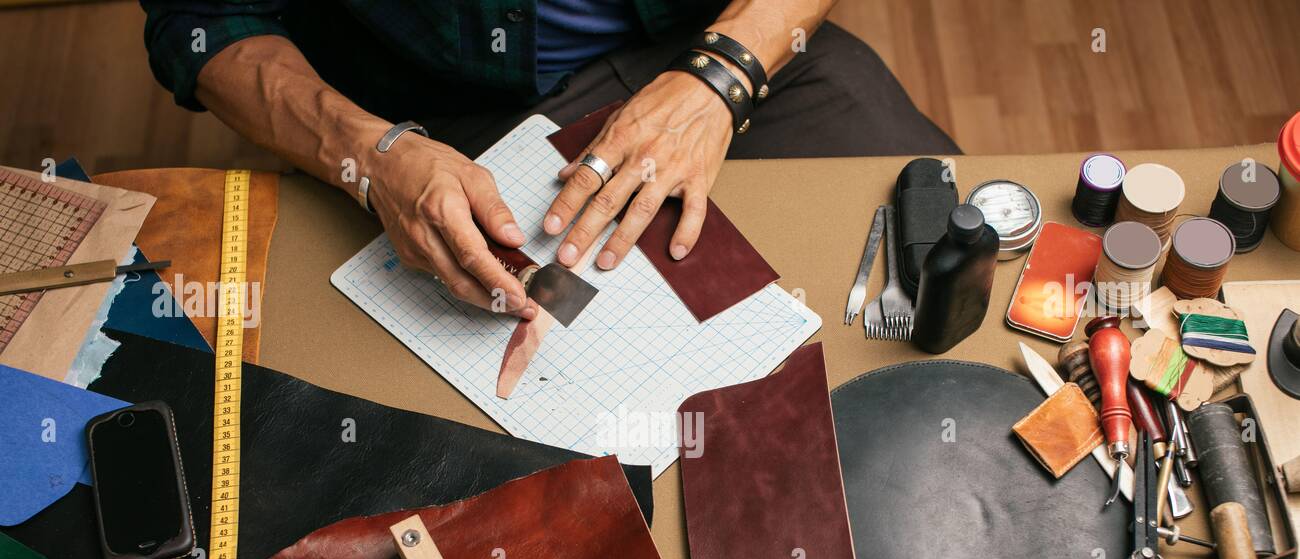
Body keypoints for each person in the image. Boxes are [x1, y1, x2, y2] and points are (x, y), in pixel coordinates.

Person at [141, 1, 956, 319]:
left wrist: (723, 75)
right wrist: (369, 152)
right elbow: (201, 20)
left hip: (712, 43)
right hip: (425, 122)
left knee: (945, 271)